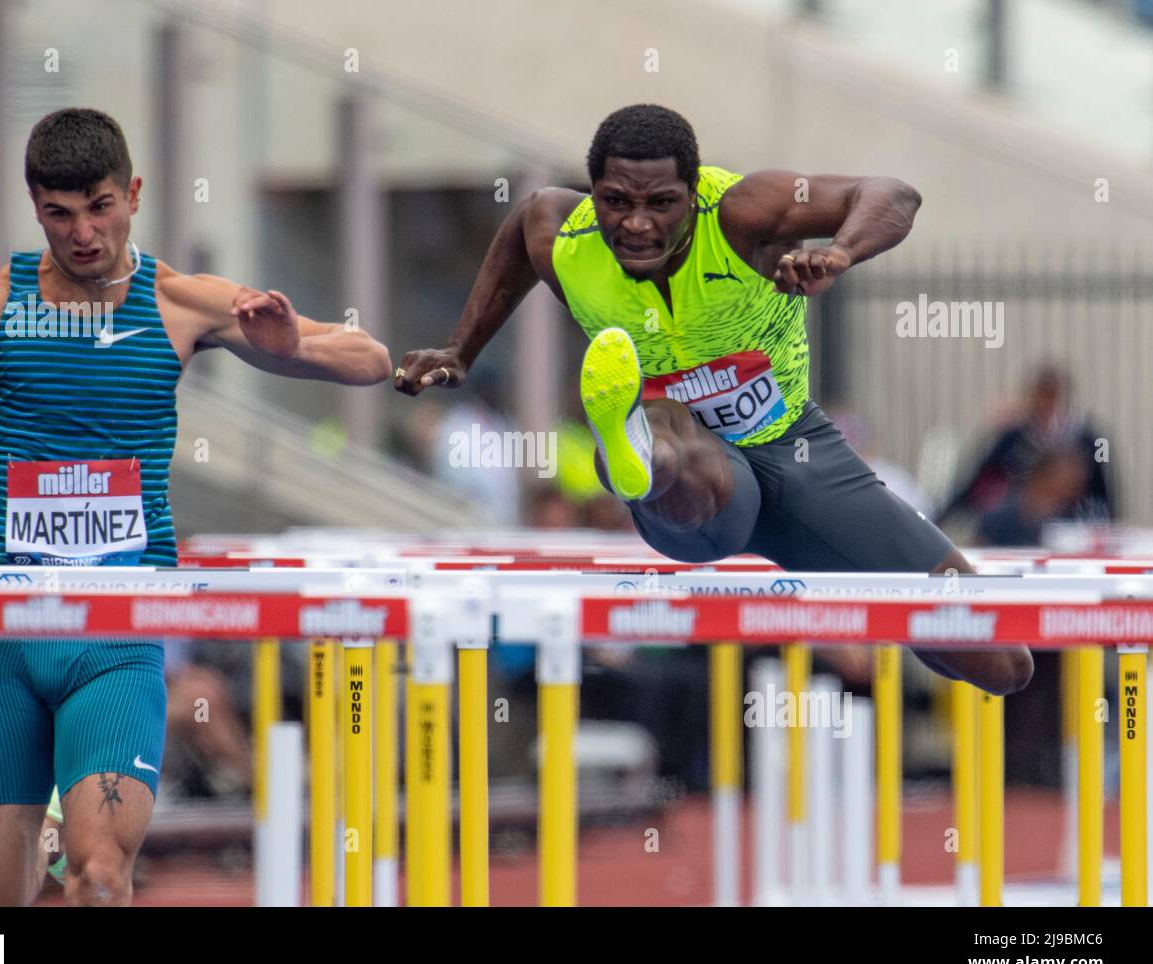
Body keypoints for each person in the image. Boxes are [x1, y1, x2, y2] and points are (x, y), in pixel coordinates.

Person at [0, 108, 391, 906]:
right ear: (35, 206)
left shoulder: (181, 302)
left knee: (96, 873)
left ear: (135, 194)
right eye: (60, 212)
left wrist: (292, 345)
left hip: (116, 635)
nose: (84, 232)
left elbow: (371, 361)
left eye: (100, 205)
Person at [396, 103, 1031, 695]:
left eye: (662, 204)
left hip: (797, 454)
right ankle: (637, 455)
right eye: (615, 202)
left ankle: (644, 451)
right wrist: (460, 351)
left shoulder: (745, 213)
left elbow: (894, 195)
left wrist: (842, 251)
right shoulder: (562, 231)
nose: (636, 223)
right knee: (667, 422)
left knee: (1001, 660)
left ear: (694, 194)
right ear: (593, 193)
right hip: (697, 495)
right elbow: (517, 236)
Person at [937, 364, 1111, 528]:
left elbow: (1103, 494)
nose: (1046, 405)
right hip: (1020, 527)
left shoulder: (1089, 441)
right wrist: (939, 519)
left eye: (1052, 397)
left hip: (1073, 528)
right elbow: (978, 481)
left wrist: (1107, 525)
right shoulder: (1012, 439)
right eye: (1041, 397)